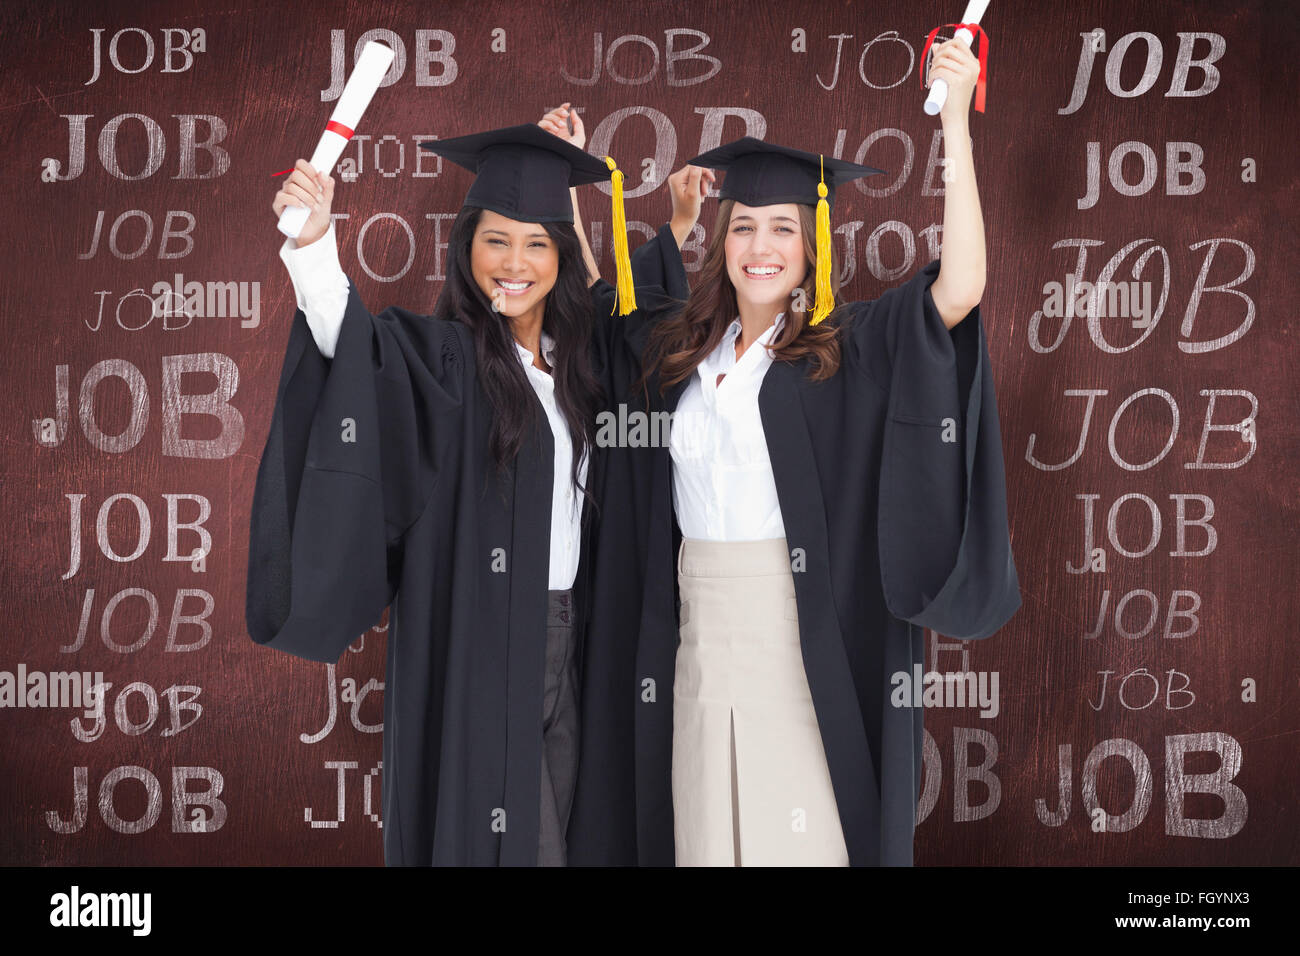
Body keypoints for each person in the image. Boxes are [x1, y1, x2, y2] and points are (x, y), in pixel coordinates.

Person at [244, 120, 699, 866]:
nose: (513, 264)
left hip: (572, 638)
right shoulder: (446, 359)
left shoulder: (580, 369)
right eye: (496, 241)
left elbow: (624, 314)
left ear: (558, 256)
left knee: (569, 828)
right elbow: (351, 342)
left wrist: (671, 226)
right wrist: (315, 246)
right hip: (485, 638)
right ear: (466, 247)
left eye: (536, 244)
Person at [623, 38, 1022, 865]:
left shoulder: (842, 348)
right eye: (744, 228)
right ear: (722, 243)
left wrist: (956, 123)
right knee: (707, 841)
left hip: (795, 636)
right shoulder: (684, 354)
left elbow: (961, 289)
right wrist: (668, 222)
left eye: (781, 228)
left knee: (795, 838)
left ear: (811, 245)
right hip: (696, 640)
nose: (760, 246)